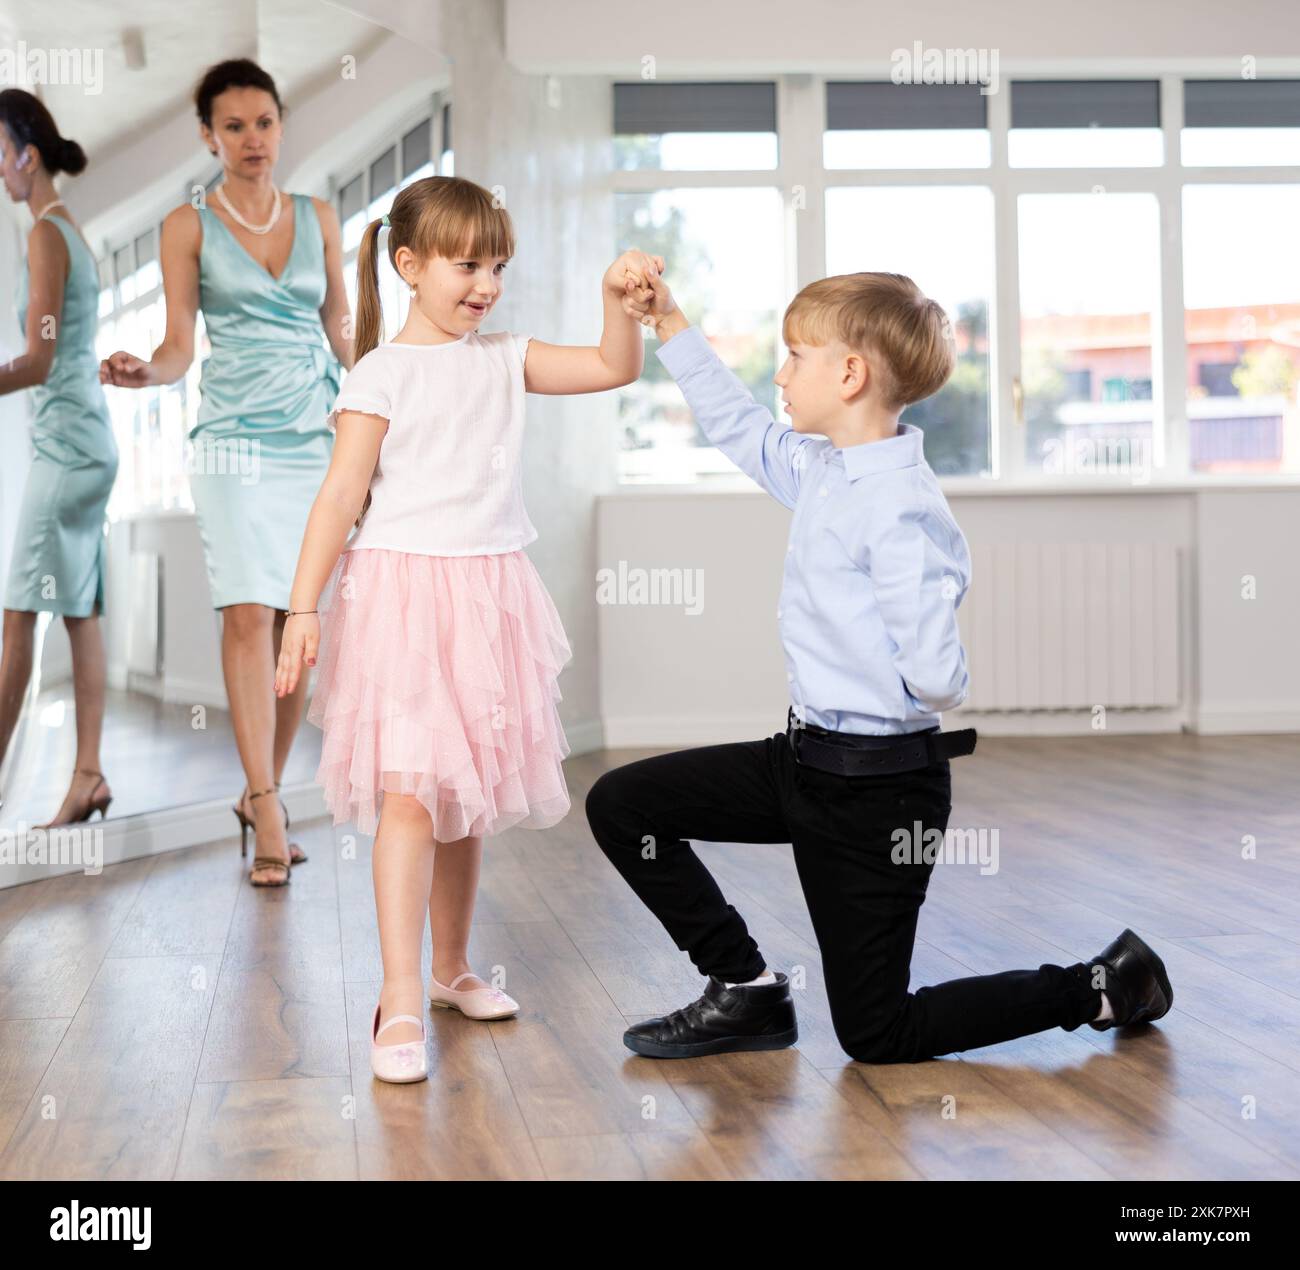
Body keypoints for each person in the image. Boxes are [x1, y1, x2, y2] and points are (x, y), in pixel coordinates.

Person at [586, 263, 1174, 1063]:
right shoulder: (827, 469)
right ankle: (748, 991)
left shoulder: (898, 506)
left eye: (795, 357)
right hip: (800, 763)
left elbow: (939, 676)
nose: (781, 373)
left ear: (850, 374)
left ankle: (1103, 985)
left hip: (879, 795)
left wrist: (877, 697)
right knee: (624, 805)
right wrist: (670, 322)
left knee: (877, 1034)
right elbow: (740, 429)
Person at [273, 173, 658, 1082]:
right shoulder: (381, 373)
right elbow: (340, 497)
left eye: (497, 265)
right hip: (401, 599)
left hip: (489, 595)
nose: (485, 284)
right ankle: (399, 995)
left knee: (464, 796)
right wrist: (301, 607)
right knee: (410, 795)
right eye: (465, 264)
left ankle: (450, 967)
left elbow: (613, 367)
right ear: (409, 266)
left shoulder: (505, 357)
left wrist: (619, 303)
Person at [100, 59, 352, 885]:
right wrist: (149, 372)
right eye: (234, 126)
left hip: (314, 434)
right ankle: (267, 799)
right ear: (208, 135)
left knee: (297, 624)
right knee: (249, 611)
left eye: (265, 122)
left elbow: (342, 328)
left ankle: (264, 791)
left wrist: (401, 381)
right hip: (233, 444)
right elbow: (178, 343)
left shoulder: (320, 215)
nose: (253, 139)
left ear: (282, 124)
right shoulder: (186, 225)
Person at [0, 90, 118, 827]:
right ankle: (88, 777)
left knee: (17, 617)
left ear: (26, 154)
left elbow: (40, 359)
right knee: (80, 612)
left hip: (67, 447)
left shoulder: (45, 232)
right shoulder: (71, 231)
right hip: (89, 441)